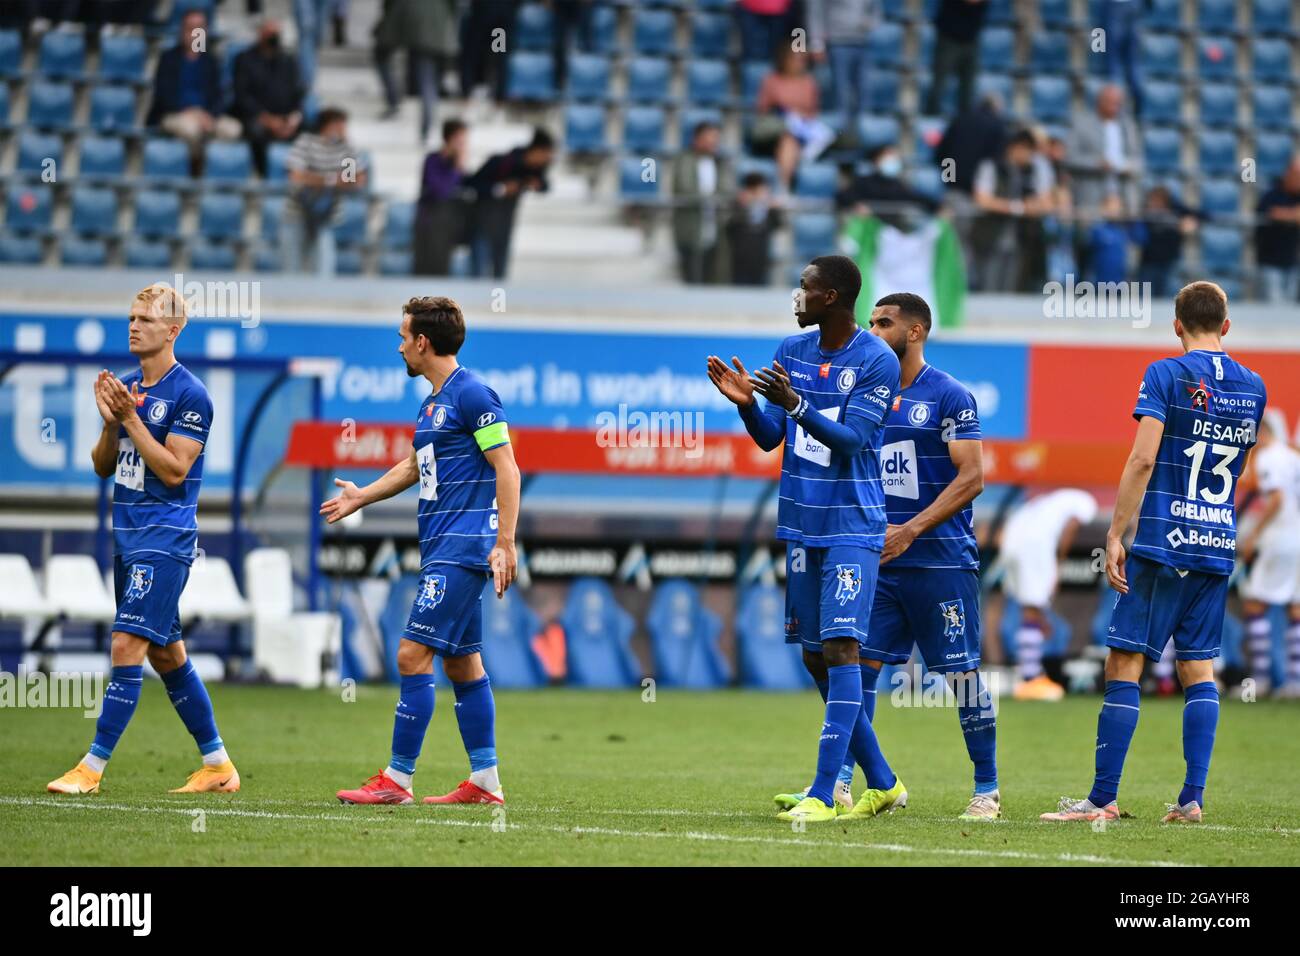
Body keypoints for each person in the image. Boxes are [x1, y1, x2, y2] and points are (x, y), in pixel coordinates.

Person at [1042, 281, 1267, 824]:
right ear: (1227, 326)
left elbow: (1143, 460)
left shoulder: (1166, 374)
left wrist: (1117, 534)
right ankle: (1191, 800)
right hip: (1216, 542)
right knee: (1197, 667)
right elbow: (1235, 464)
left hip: (1164, 542)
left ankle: (1102, 799)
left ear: (1176, 325)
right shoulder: (1255, 386)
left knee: (1125, 660)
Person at [706, 256, 904, 824]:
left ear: (834, 297)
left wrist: (797, 404)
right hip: (801, 524)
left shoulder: (874, 360)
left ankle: (823, 791)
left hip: (851, 523)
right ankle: (884, 782)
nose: (797, 297)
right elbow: (773, 438)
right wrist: (749, 406)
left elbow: (853, 440)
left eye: (806, 288)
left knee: (842, 648)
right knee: (818, 658)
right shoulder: (789, 353)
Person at [328, 297, 520, 806]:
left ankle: (397, 779)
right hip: (442, 545)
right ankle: (485, 782)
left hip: (462, 548)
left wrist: (504, 543)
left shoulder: (474, 394)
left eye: (402, 335)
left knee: (412, 654)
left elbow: (508, 467)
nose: (399, 345)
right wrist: (362, 495)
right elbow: (416, 466)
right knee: (462, 665)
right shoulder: (435, 402)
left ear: (423, 342)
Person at [47, 283, 238, 797]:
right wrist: (112, 424)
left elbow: (175, 471)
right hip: (127, 536)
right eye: (131, 318)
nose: (133, 326)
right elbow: (102, 466)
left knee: (127, 643)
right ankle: (218, 764)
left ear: (172, 331)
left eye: (145, 320)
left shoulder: (190, 394)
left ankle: (91, 767)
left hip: (166, 538)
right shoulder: (128, 388)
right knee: (167, 654)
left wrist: (130, 417)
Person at [999, 487, 1098, 701]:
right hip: (1035, 545)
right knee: (1033, 609)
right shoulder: (1086, 501)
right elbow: (1071, 527)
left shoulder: (1049, 500)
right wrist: (1058, 564)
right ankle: (1030, 678)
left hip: (1011, 541)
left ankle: (1029, 675)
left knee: (1029, 611)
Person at [1238, 411, 1300, 698]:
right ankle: (1294, 682)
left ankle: (1260, 681)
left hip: (1280, 538)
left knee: (1254, 602)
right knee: (1295, 607)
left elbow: (1275, 498)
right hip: (1297, 536)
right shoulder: (1292, 456)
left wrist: (1255, 534)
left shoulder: (1269, 457)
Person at [145, 8, 241, 171]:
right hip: (176, 114)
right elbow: (163, 95)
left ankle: (214, 170)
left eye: (200, 28)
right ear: (183, 31)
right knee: (191, 129)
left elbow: (218, 95)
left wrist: (209, 115)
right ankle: (196, 171)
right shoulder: (168, 59)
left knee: (233, 129)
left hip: (205, 116)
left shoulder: (210, 61)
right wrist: (192, 112)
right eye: (191, 28)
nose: (196, 33)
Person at [282, 107, 369, 276]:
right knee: (291, 266)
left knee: (323, 265)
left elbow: (354, 180)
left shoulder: (345, 149)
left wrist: (347, 145)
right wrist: (332, 179)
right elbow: (296, 176)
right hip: (297, 211)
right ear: (329, 124)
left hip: (326, 214)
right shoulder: (305, 142)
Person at [970, 128, 1055, 292]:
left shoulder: (1034, 170)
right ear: (1015, 147)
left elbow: (1046, 203)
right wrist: (1019, 207)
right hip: (991, 238)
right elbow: (983, 200)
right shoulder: (991, 167)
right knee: (989, 287)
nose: (1029, 156)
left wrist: (1034, 206)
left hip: (1022, 240)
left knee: (1014, 290)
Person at [464, 127, 554, 279]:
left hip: (504, 223)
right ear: (537, 151)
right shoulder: (502, 161)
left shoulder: (533, 170)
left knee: (500, 274)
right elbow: (471, 184)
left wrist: (535, 184)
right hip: (483, 221)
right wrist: (501, 189)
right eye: (546, 155)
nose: (547, 160)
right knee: (478, 271)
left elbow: (545, 185)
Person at [373, 0, 457, 144]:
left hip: (419, 30)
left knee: (427, 83)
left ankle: (424, 129)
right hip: (440, 32)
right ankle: (425, 128)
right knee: (429, 83)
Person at [752, 46, 834, 192]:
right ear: (785, 60)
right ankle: (783, 187)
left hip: (802, 129)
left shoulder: (809, 82)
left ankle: (792, 184)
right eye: (795, 59)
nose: (799, 63)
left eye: (802, 60)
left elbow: (813, 111)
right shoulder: (772, 79)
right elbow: (762, 109)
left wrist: (801, 115)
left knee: (797, 139)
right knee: (788, 140)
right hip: (776, 129)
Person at [231, 19, 304, 177]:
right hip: (257, 117)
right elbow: (242, 96)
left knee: (308, 131)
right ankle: (263, 176)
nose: (274, 37)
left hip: (285, 118)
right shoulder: (245, 59)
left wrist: (293, 118)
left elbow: (297, 94)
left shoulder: (288, 61)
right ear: (260, 34)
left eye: (276, 34)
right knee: (256, 131)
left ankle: (297, 176)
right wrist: (268, 120)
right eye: (270, 33)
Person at [1066, 84, 1143, 218]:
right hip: (1091, 195)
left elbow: (1139, 159)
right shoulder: (1081, 123)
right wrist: (1097, 163)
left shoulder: (1128, 126)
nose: (1114, 106)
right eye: (1110, 102)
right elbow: (1069, 157)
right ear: (1099, 101)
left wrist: (1130, 166)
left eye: (1118, 103)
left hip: (1122, 195)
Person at [670, 121, 725, 285]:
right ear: (697, 139)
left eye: (716, 138)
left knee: (711, 276)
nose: (713, 142)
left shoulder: (719, 163)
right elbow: (684, 189)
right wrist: (711, 198)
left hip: (713, 225)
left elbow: (726, 189)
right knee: (691, 275)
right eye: (709, 138)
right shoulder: (685, 160)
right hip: (691, 225)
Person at [414, 118, 469, 276]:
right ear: (450, 139)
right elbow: (441, 191)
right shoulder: (433, 160)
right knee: (426, 268)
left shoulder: (457, 166)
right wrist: (457, 168)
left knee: (443, 268)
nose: (463, 145)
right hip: (429, 221)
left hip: (449, 222)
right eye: (460, 140)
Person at [806, 0, 879, 119]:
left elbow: (875, 11)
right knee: (840, 93)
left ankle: (862, 132)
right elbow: (816, 12)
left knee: (865, 92)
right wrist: (816, 43)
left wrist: (869, 24)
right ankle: (841, 132)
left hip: (863, 43)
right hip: (836, 43)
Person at [924, 0, 988, 117]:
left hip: (971, 39)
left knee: (968, 88)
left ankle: (965, 122)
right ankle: (930, 118)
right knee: (939, 83)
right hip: (948, 37)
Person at [1135, 185, 1200, 297]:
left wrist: (1189, 223)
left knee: (1167, 297)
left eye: (1158, 201)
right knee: (1144, 298)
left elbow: (1199, 215)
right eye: (1153, 200)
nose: (1155, 204)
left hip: (1169, 263)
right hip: (1148, 263)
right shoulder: (1145, 216)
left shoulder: (1176, 213)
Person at [1254, 156, 1300, 303]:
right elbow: (1271, 212)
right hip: (1270, 263)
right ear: (1288, 174)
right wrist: (1292, 215)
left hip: (1292, 262)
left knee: (1289, 312)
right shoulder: (1272, 193)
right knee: (1272, 309)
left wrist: (1287, 215)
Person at [726, 172, 781, 286]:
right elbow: (730, 227)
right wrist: (743, 206)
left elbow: (779, 225)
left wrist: (773, 209)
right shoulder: (737, 205)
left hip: (761, 259)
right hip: (740, 259)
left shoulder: (768, 208)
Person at [459, 0, 518, 101]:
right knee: (499, 51)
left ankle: (467, 90)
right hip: (502, 12)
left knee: (474, 50)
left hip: (485, 10)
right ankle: (499, 93)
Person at [1099, 0, 1142, 117]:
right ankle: (1137, 108)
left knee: (1113, 65)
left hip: (1114, 5)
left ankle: (1119, 112)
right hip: (1134, 5)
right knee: (1133, 63)